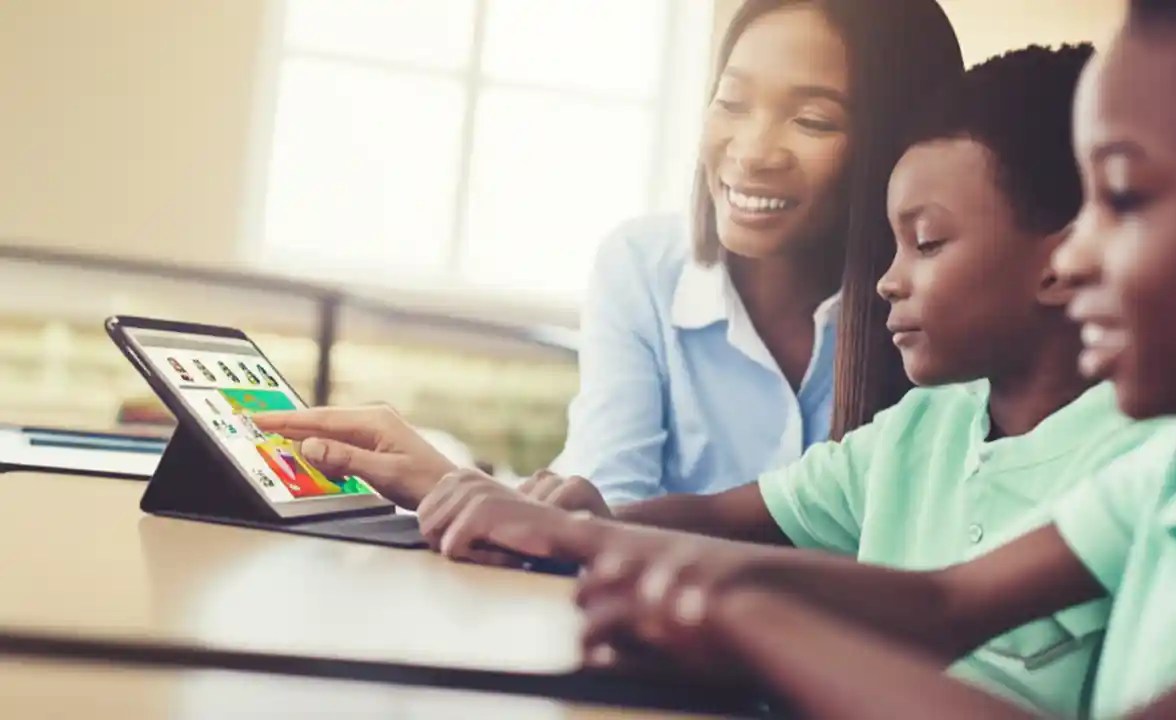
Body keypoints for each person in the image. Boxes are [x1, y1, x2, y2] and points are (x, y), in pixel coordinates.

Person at [264, 43, 1149, 717]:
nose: (887, 280)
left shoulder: (1151, 458)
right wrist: (569, 524)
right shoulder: (922, 428)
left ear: (1065, 257)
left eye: (927, 243)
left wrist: (733, 611)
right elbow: (722, 520)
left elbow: (932, 610)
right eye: (731, 99)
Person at [568, 2, 1176, 717]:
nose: (1073, 256)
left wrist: (750, 617)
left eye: (1124, 198)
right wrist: (656, 566)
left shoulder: (1155, 447)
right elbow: (947, 602)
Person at [253, 0, 964, 507]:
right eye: (731, 102)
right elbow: (602, 503)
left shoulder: (940, 315)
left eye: (811, 120)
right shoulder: (643, 266)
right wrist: (457, 488)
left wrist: (477, 494)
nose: (751, 152)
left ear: (902, 142)